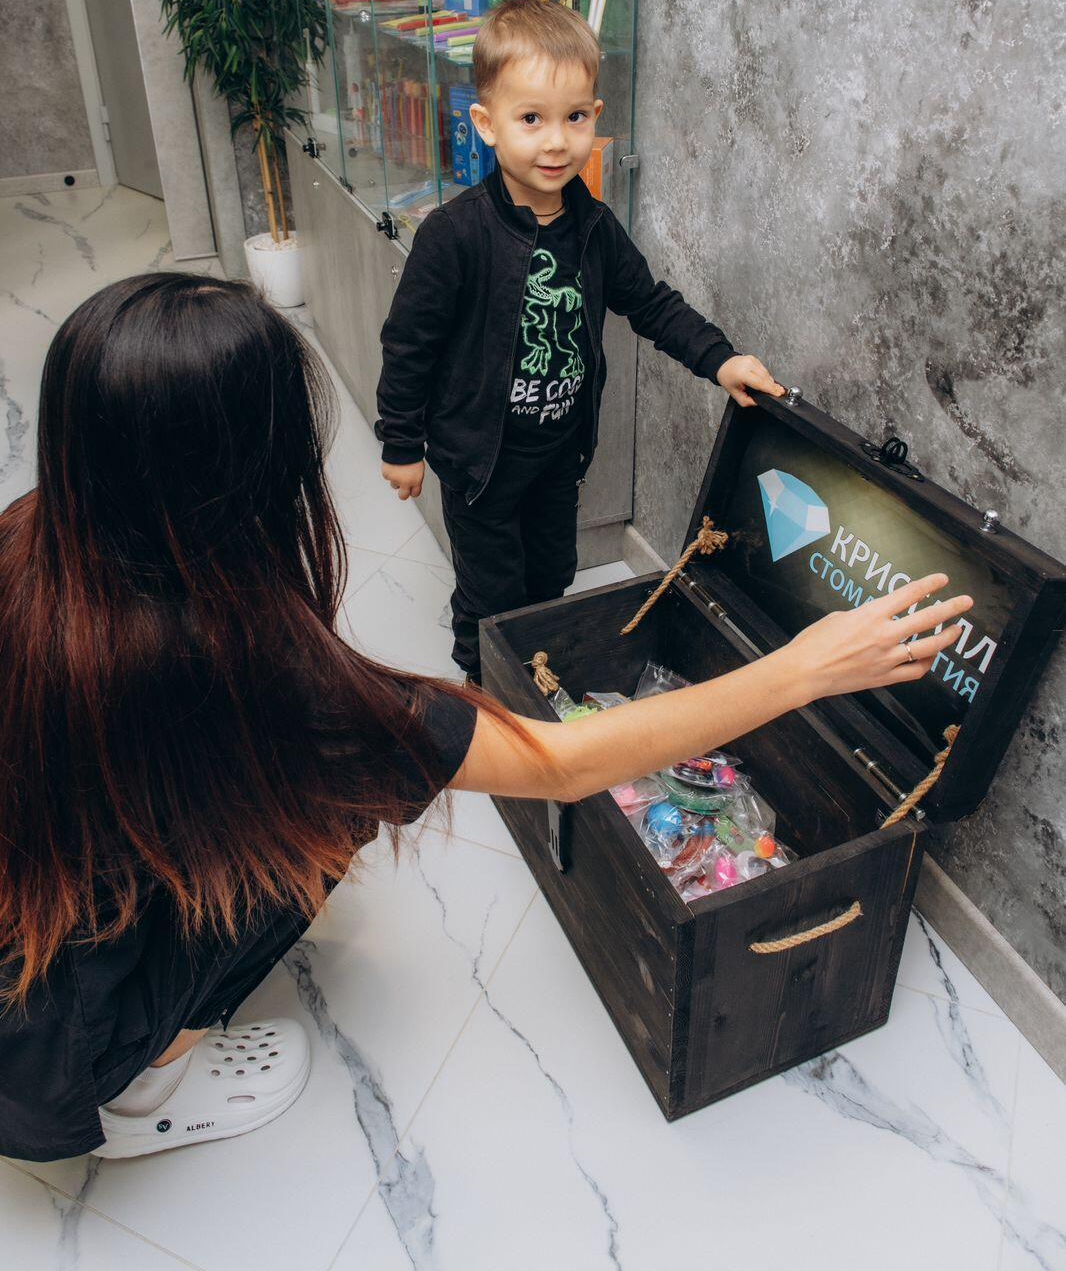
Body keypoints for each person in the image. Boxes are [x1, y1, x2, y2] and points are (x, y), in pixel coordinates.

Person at [0, 272, 969, 1163]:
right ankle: (145, 1087)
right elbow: (557, 763)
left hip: (29, 951)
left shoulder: (28, 533)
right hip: (44, 1065)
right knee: (331, 812)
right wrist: (800, 669)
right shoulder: (266, 683)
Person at [377, 0, 783, 684]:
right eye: (531, 118)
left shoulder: (593, 228)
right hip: (480, 463)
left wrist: (720, 359)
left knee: (550, 573)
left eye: (574, 118)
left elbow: (650, 303)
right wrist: (400, 442)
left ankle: (535, 664)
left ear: (595, 118)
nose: (555, 141)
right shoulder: (455, 236)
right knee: (491, 591)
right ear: (486, 125)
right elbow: (408, 344)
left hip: (556, 455)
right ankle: (490, 695)